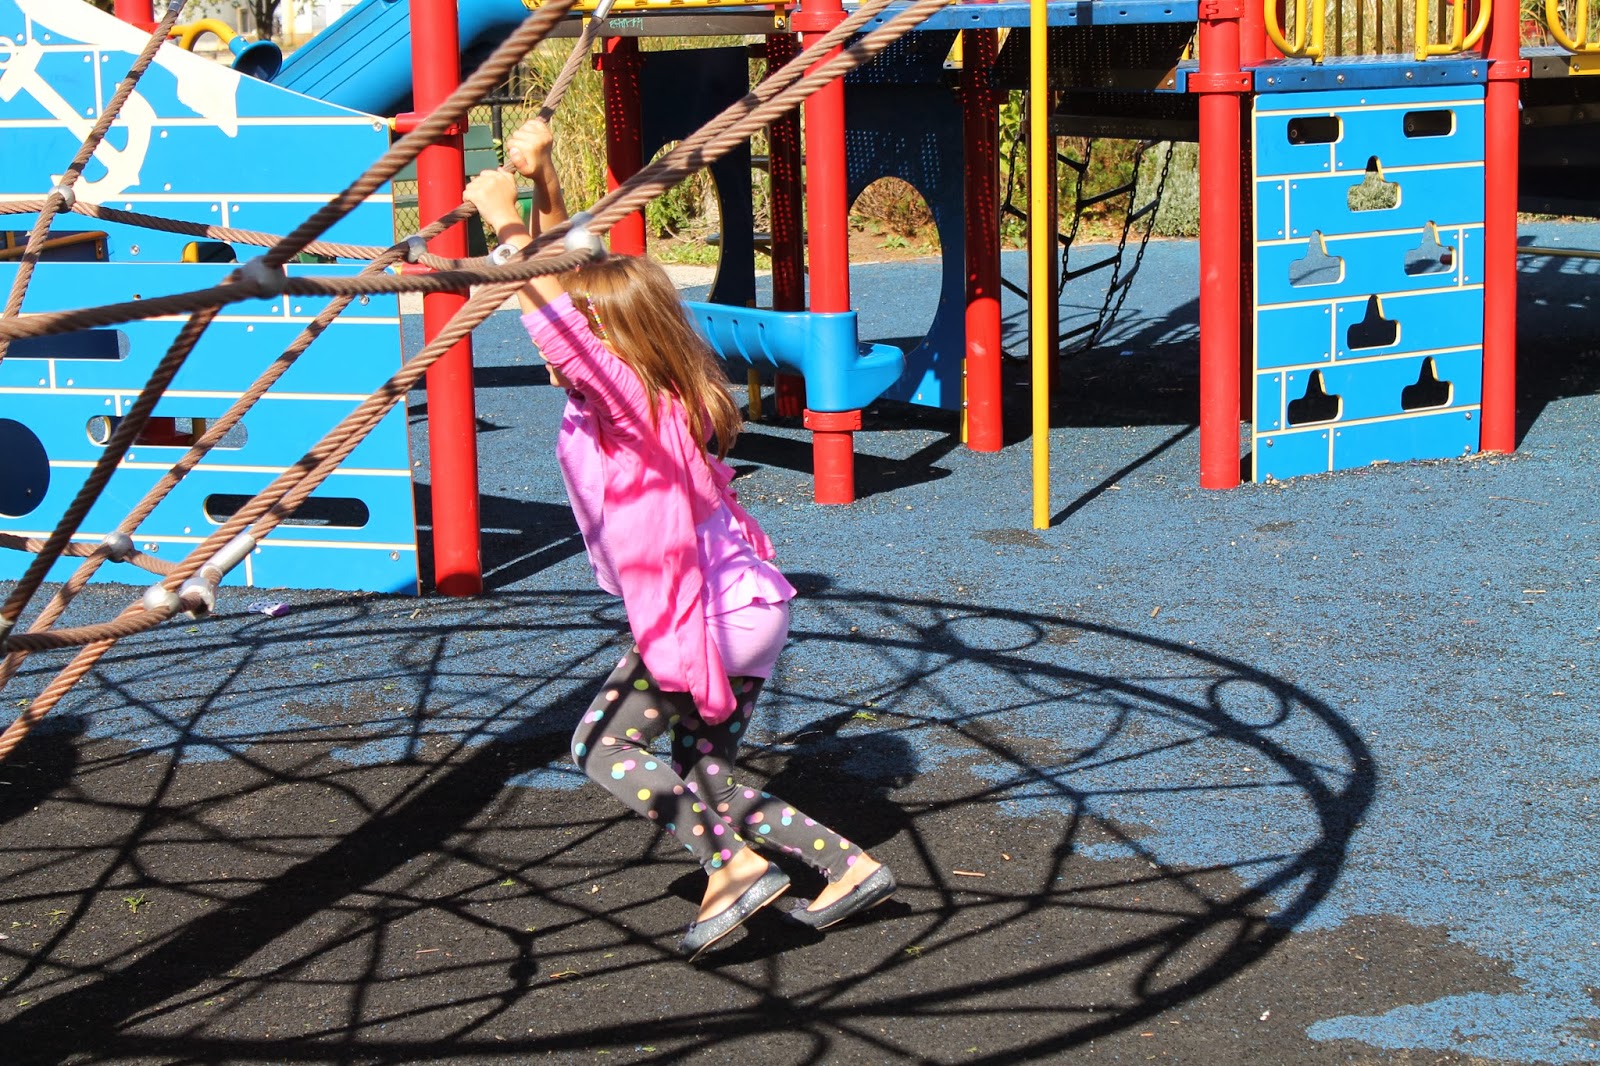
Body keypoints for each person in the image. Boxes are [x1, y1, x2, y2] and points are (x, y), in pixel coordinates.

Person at [463, 118, 895, 960]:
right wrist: (545, 178)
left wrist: (503, 225)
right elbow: (580, 279)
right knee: (705, 774)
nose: (569, 348)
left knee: (600, 743)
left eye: (588, 336)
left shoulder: (624, 408)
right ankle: (844, 866)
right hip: (754, 607)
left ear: (607, 345)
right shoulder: (669, 388)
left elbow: (559, 321)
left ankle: (730, 867)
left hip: (711, 616)